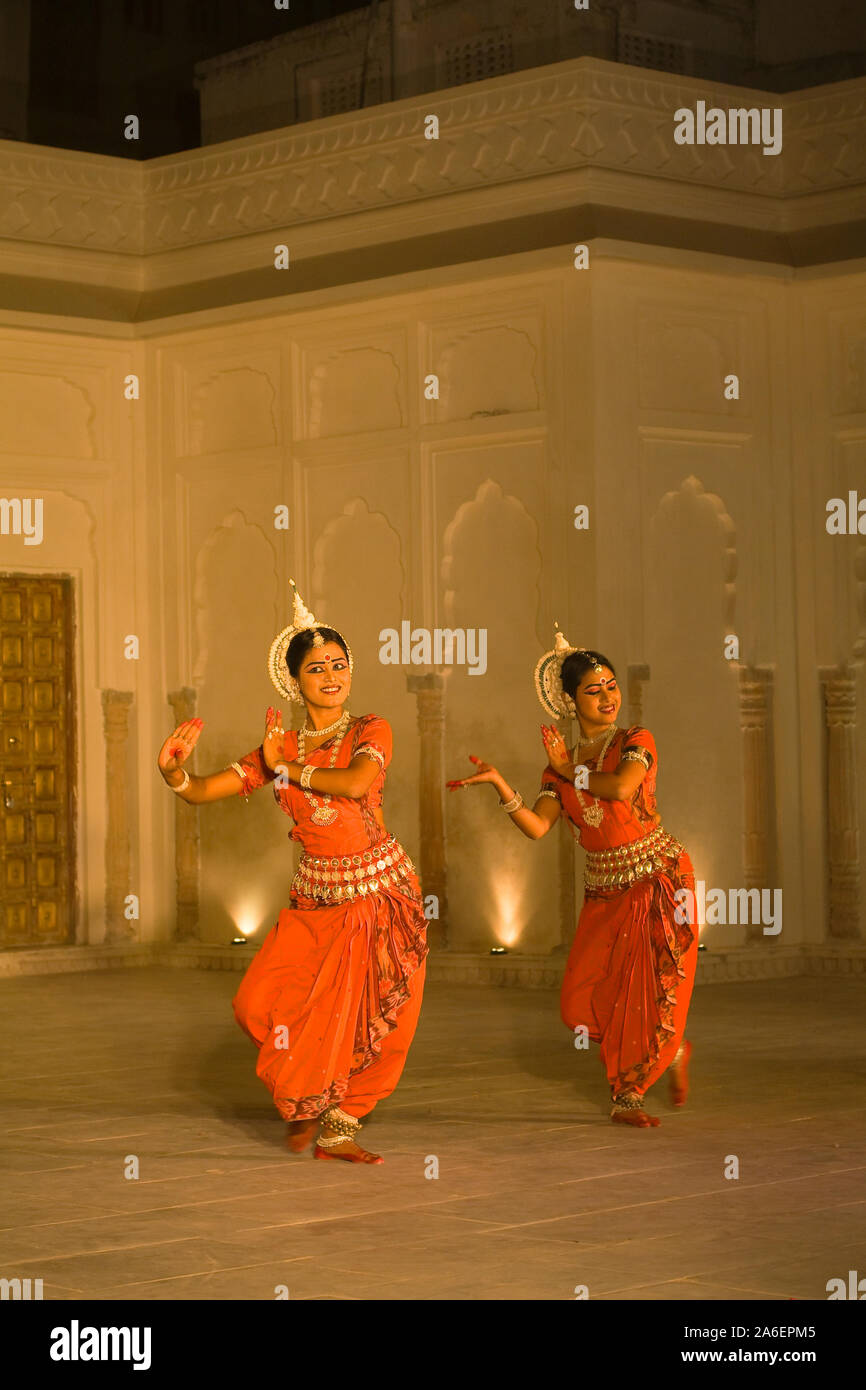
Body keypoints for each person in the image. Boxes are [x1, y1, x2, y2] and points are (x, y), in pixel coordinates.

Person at [157, 582, 427, 1164]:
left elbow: (355, 783)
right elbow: (204, 791)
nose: (332, 676)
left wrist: (288, 767)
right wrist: (175, 774)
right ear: (293, 681)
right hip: (315, 900)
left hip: (379, 892)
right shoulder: (277, 748)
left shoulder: (368, 729)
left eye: (339, 664)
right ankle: (308, 1091)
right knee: (257, 1004)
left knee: (377, 1014)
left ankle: (339, 1125)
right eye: (316, 669)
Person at [447, 628, 696, 1128]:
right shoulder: (556, 770)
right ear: (569, 700)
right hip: (605, 891)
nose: (608, 697)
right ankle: (666, 1049)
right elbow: (538, 827)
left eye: (610, 685)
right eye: (593, 690)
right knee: (579, 1004)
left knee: (651, 987)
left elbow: (623, 788)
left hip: (658, 880)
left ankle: (629, 1094)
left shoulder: (633, 740)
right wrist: (502, 786)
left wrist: (569, 768)